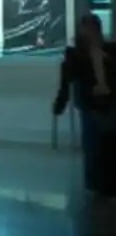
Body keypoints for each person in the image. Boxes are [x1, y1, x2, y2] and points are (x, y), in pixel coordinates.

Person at [53, 13, 116, 196]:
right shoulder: (75, 56)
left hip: (107, 103)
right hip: (92, 105)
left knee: (104, 146)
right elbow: (67, 81)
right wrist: (61, 102)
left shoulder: (108, 51)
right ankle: (98, 185)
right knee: (95, 146)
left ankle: (103, 185)